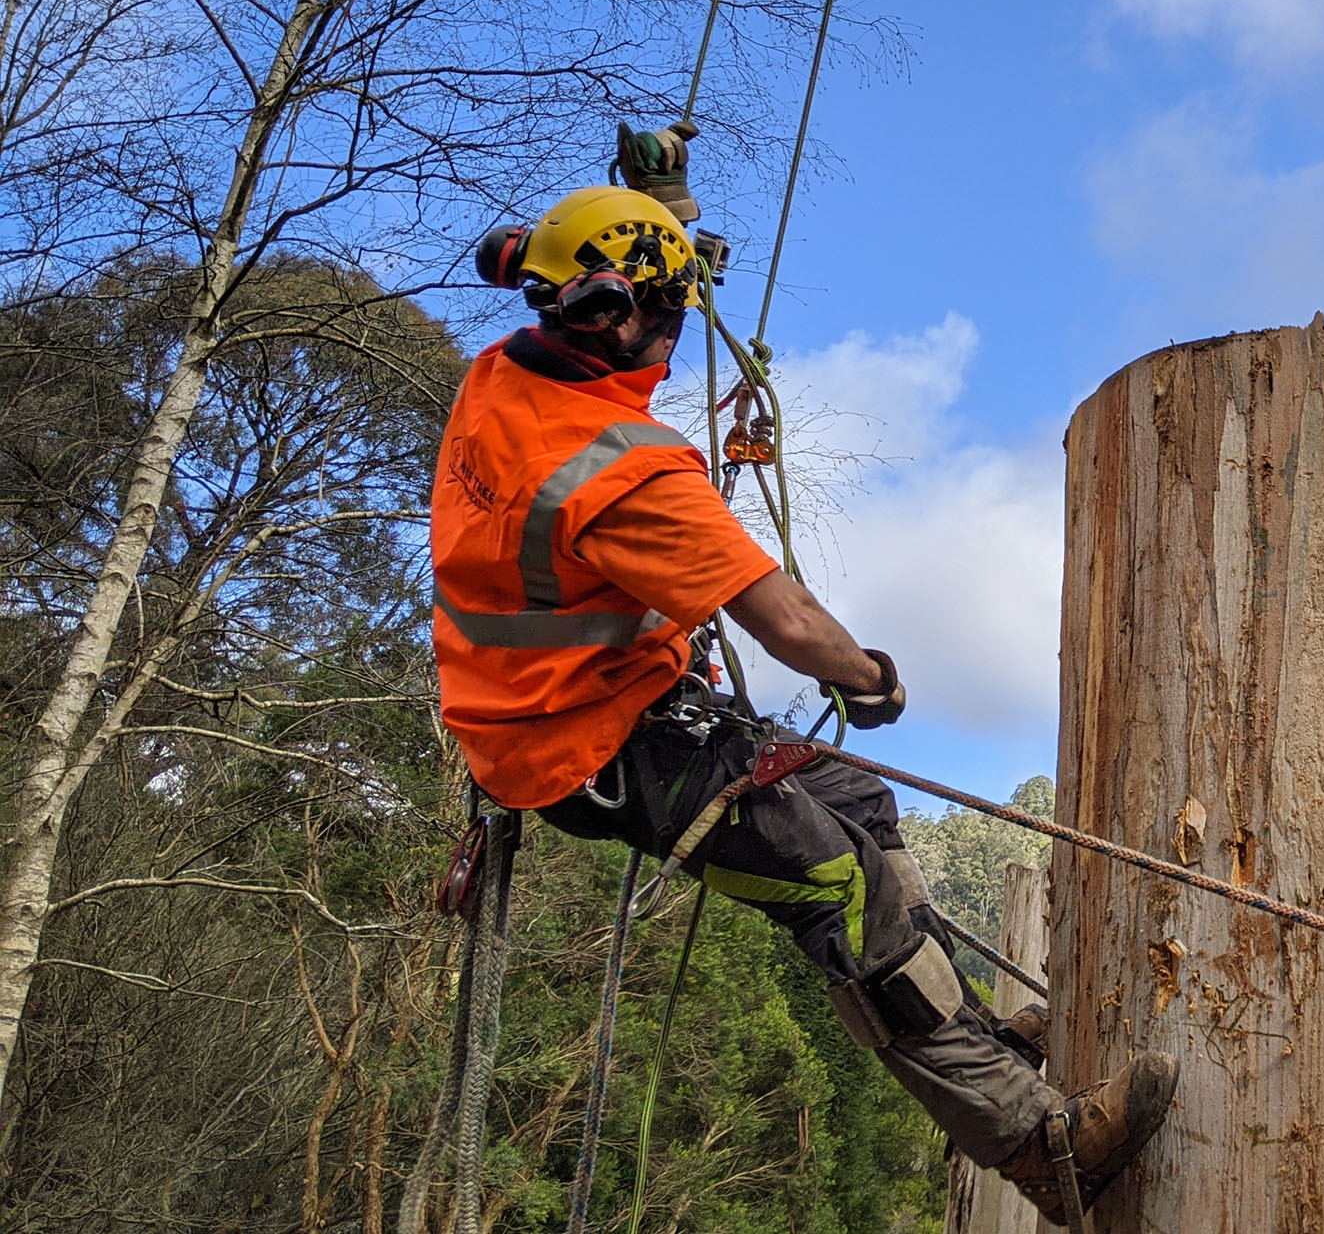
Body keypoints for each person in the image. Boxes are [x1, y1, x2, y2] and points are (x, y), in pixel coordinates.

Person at [430, 180, 1172, 1223]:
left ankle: (971, 1036)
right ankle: (1040, 1147)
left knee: (859, 804)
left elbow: (615, 288)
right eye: (674, 313)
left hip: (580, 699)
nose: (680, 335)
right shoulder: (625, 476)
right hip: (585, 747)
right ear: (632, 318)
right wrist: (871, 678)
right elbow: (789, 624)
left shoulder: (504, 374)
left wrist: (657, 216)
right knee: (841, 886)